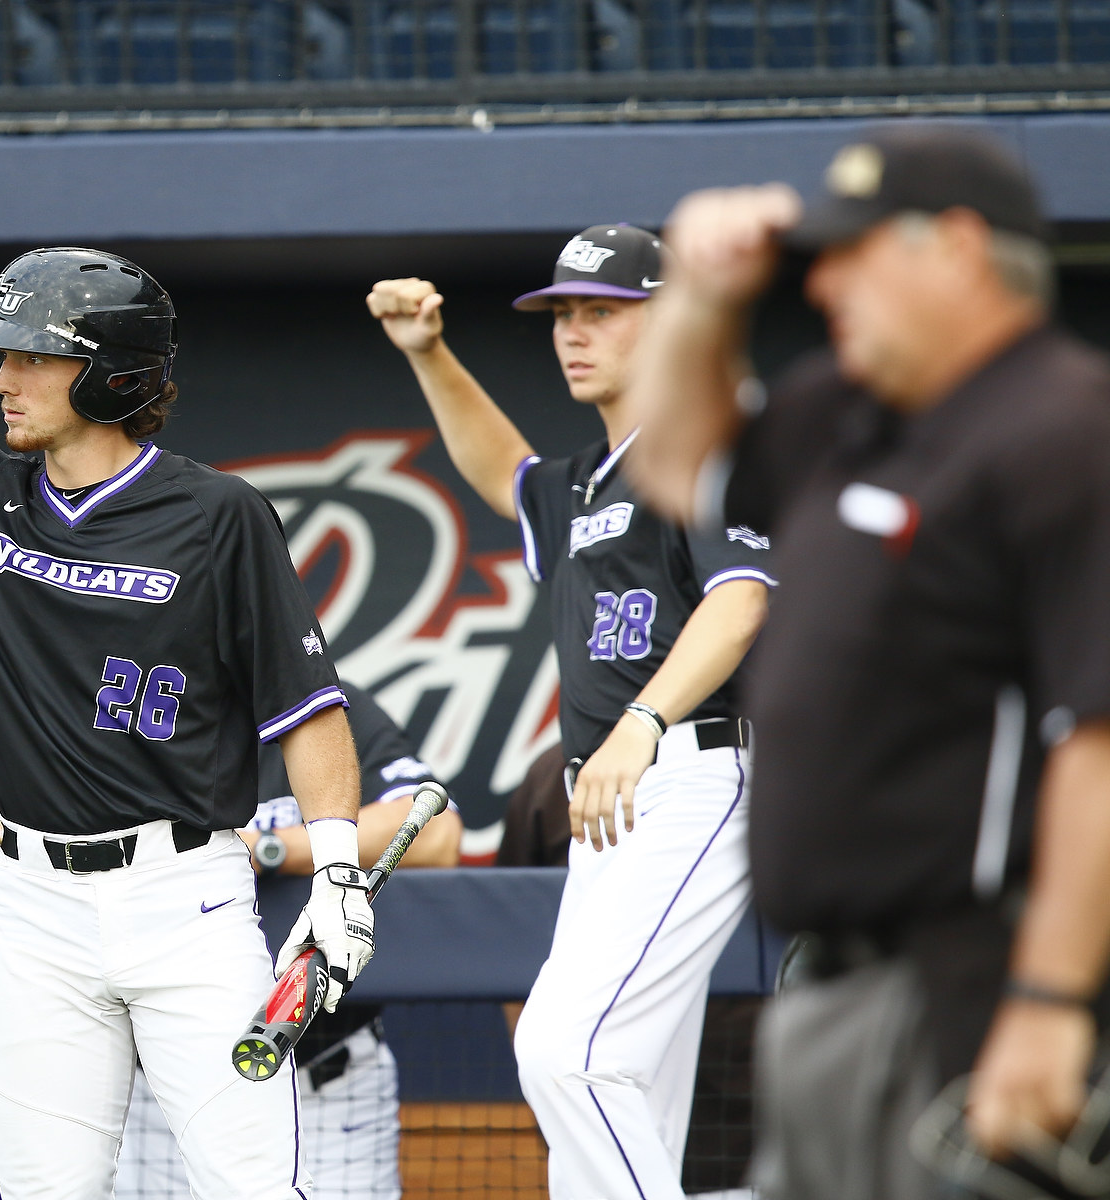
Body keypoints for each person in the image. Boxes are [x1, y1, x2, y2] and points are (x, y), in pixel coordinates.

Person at [0, 146, 372, 1200]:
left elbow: (305, 708)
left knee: (253, 1189)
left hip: (187, 897)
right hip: (33, 903)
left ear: (112, 372)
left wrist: (340, 871)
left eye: (33, 357)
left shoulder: (219, 514)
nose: (2, 379)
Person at [625, 123, 1110, 1199]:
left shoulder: (1065, 427)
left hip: (972, 985)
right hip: (827, 989)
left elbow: (1102, 743)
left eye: (857, 251)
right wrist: (701, 303)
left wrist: (1051, 1001)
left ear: (961, 247)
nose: (825, 282)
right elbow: (676, 465)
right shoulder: (843, 412)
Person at [366, 227, 774, 1200]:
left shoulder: (708, 445)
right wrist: (430, 354)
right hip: (616, 802)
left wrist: (643, 721)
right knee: (623, 1083)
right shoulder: (591, 475)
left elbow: (742, 600)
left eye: (602, 312)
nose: (573, 333)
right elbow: (504, 472)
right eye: (563, 314)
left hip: (690, 770)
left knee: (568, 1055)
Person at [0, 683, 462, 1200]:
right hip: (162, 1091)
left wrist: (269, 848)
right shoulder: (98, 702)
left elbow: (437, 833)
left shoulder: (316, 703)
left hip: (329, 1075)